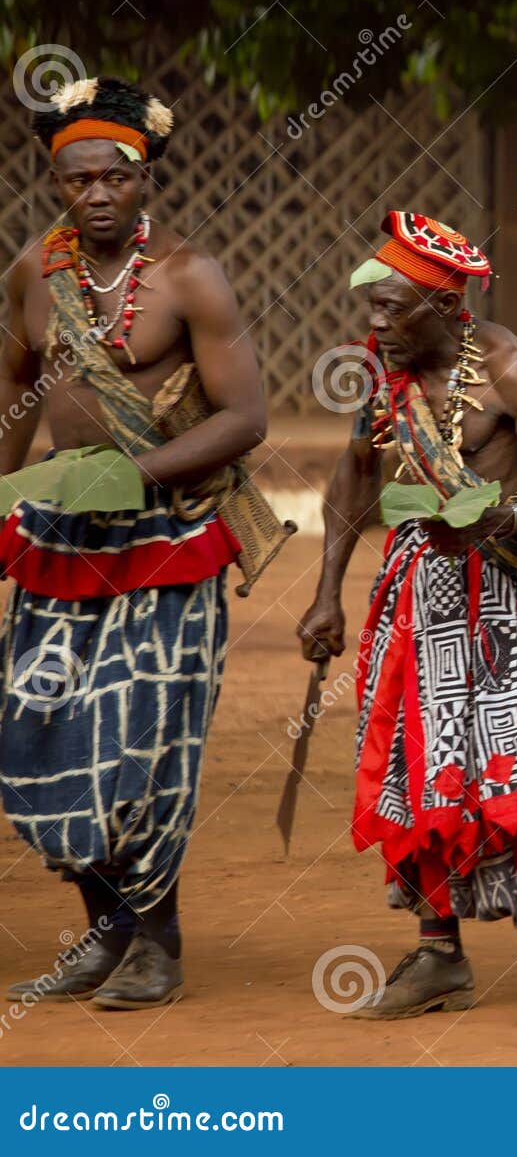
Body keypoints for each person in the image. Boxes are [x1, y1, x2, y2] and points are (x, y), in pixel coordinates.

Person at [1, 76, 281, 1009]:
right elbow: (13, 395)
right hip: (61, 536)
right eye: (77, 180)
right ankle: (106, 928)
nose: (96, 194)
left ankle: (155, 938)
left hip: (170, 535)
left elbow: (246, 417)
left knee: (141, 736)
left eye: (114, 176)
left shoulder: (190, 276)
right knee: (41, 728)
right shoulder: (33, 276)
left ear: (145, 175)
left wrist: (137, 477)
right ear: (60, 186)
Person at [296, 212, 517, 1023]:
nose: (374, 324)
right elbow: (352, 478)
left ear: (445, 308)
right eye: (370, 307)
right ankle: (439, 952)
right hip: (416, 594)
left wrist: (503, 519)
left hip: (508, 594)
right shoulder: (382, 374)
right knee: (414, 764)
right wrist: (326, 589)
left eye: (392, 308)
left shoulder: (507, 366)